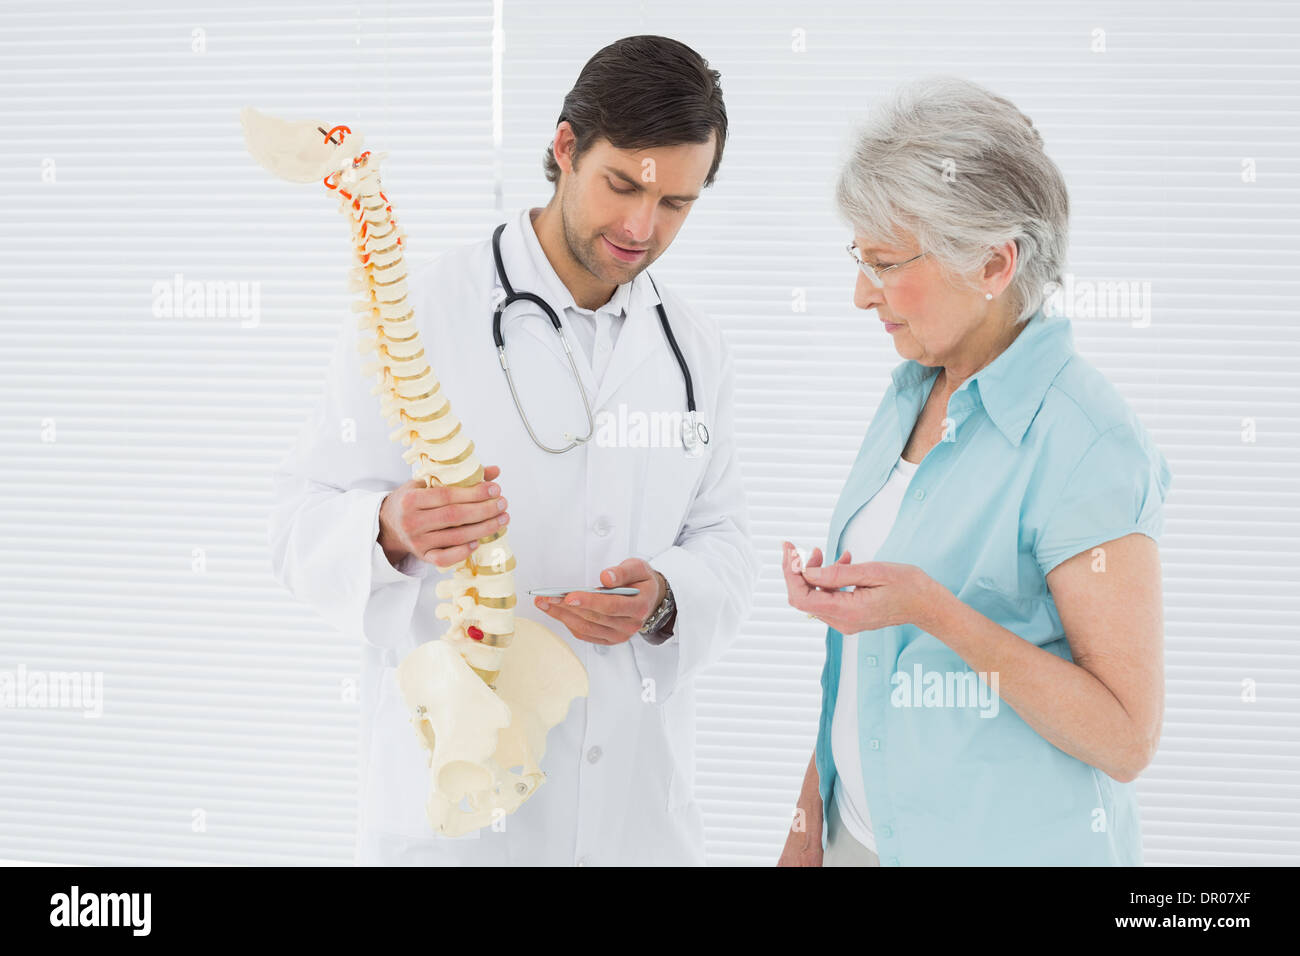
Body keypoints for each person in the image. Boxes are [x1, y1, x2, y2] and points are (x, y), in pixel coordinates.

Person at [269, 35, 758, 866]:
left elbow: (725, 538)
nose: (643, 226)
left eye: (675, 203)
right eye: (623, 185)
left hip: (638, 813)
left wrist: (668, 596)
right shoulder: (422, 313)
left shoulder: (692, 347)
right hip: (460, 816)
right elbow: (298, 524)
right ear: (566, 148)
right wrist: (392, 527)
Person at [777, 76, 1171, 866]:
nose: (861, 294)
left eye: (885, 263)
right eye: (861, 258)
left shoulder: (1086, 442)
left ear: (994, 262)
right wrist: (806, 830)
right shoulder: (913, 392)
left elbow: (1125, 738)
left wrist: (933, 609)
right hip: (860, 839)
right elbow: (861, 674)